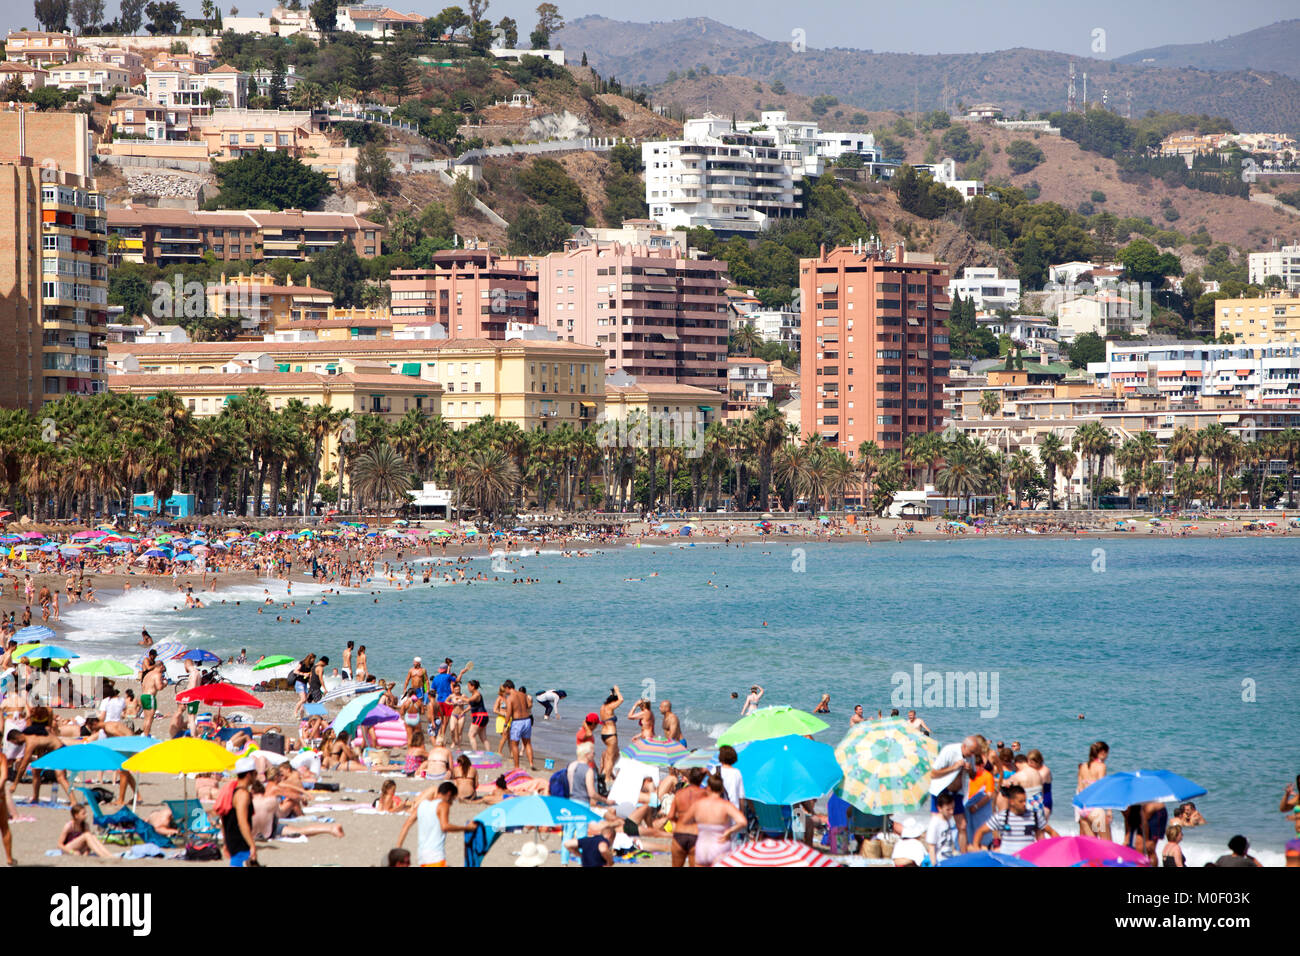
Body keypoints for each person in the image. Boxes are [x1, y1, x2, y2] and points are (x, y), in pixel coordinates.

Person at [396, 781, 477, 867]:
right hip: (436, 856)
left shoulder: (422, 805)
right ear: (449, 794)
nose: (451, 803)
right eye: (452, 799)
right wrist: (466, 828)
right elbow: (445, 826)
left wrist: (398, 848)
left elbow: (406, 825)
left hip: (422, 857)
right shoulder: (443, 805)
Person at [678, 775, 747, 867]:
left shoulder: (699, 804)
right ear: (722, 789)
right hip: (720, 846)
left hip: (701, 847)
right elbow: (743, 821)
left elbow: (683, 821)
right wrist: (729, 831)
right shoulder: (726, 805)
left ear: (708, 788)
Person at [970, 784, 1057, 854]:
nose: (1024, 804)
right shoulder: (1002, 817)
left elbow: (1051, 831)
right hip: (1008, 858)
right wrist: (976, 849)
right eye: (1020, 801)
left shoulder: (1033, 816)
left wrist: (1057, 848)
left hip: (1027, 858)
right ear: (1011, 802)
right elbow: (980, 831)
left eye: (1025, 801)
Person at [220, 756, 259, 867]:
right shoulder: (243, 794)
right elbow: (242, 822)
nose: (256, 777)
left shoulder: (230, 791)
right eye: (254, 773)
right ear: (248, 774)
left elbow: (223, 817)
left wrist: (225, 841)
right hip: (240, 841)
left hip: (232, 840)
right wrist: (252, 845)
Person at [668, 766, 707, 867]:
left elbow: (671, 815)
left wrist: (680, 820)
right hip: (696, 834)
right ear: (702, 779)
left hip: (680, 834)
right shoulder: (705, 794)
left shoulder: (680, 793)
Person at [1075, 741, 1110, 838]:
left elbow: (1080, 789)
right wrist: (1109, 811)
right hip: (1096, 812)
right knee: (1106, 843)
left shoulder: (1083, 766)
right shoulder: (1101, 766)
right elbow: (1103, 789)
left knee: (1093, 847)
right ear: (1102, 752)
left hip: (1084, 812)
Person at [503, 680, 534, 771]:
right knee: (527, 743)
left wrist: (505, 725)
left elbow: (508, 713)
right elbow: (529, 705)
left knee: (514, 744)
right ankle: (531, 763)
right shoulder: (523, 695)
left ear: (508, 688)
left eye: (505, 690)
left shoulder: (510, 698)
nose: (505, 692)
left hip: (517, 722)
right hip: (527, 720)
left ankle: (516, 766)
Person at [927, 791, 965, 863]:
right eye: (948, 809)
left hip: (948, 859)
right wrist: (934, 864)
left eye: (953, 808)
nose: (951, 812)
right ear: (939, 808)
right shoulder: (935, 823)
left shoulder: (947, 820)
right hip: (940, 861)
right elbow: (931, 846)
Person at [598, 686, 623, 784]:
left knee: (615, 753)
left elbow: (611, 699)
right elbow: (621, 699)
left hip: (604, 734)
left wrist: (613, 693)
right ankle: (607, 778)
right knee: (610, 757)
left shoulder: (603, 707)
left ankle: (605, 771)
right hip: (611, 734)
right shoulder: (610, 707)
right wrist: (617, 691)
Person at [717, 744, 744, 811]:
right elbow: (741, 796)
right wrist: (742, 813)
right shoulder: (736, 773)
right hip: (734, 808)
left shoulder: (715, 771)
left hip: (719, 809)